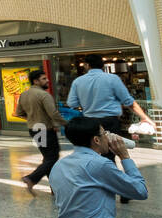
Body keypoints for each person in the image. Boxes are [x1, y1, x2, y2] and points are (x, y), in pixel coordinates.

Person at [66, 54, 154, 204]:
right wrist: (145, 117)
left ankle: (102, 187)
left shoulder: (78, 81)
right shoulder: (112, 79)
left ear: (87, 65)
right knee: (112, 154)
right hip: (110, 122)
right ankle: (123, 189)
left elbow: (72, 103)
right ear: (102, 65)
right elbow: (128, 102)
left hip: (89, 122)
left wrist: (88, 104)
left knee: (91, 155)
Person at [18, 68, 65, 194]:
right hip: (45, 129)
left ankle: (54, 188)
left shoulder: (24, 94)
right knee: (52, 158)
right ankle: (31, 178)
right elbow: (53, 113)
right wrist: (66, 123)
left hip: (33, 129)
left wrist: (33, 117)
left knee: (48, 158)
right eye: (44, 79)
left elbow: (19, 113)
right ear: (36, 81)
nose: (47, 80)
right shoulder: (44, 95)